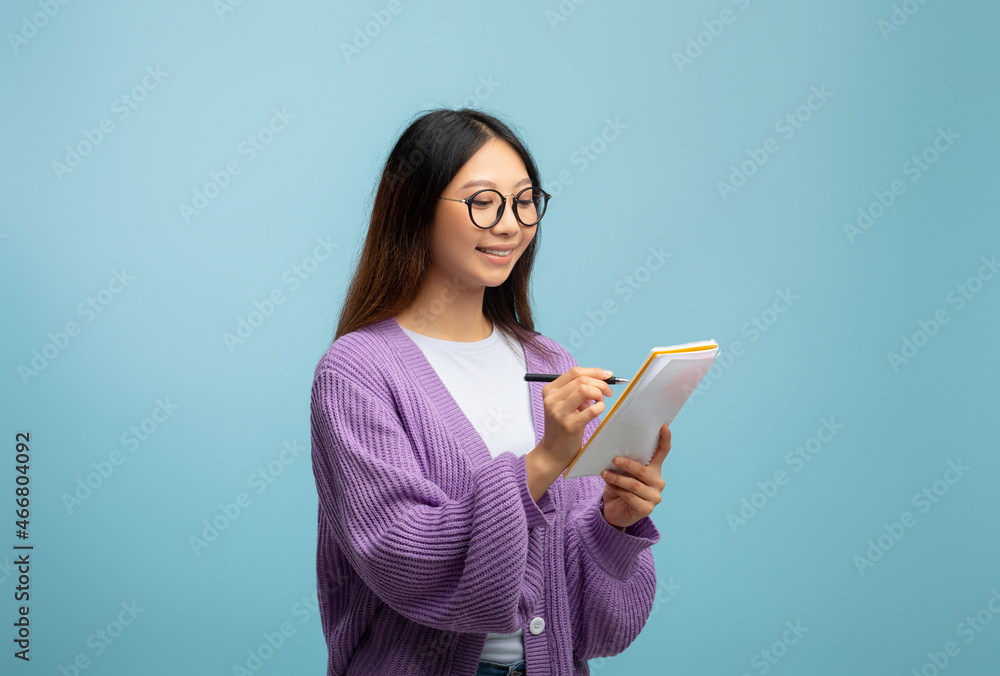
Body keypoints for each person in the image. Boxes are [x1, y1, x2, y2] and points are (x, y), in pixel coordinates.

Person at [310, 108, 671, 675]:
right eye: (483, 202)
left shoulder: (553, 364)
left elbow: (599, 631)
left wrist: (614, 524)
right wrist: (545, 461)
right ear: (416, 207)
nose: (510, 224)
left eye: (526, 201)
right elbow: (401, 557)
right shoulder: (355, 373)